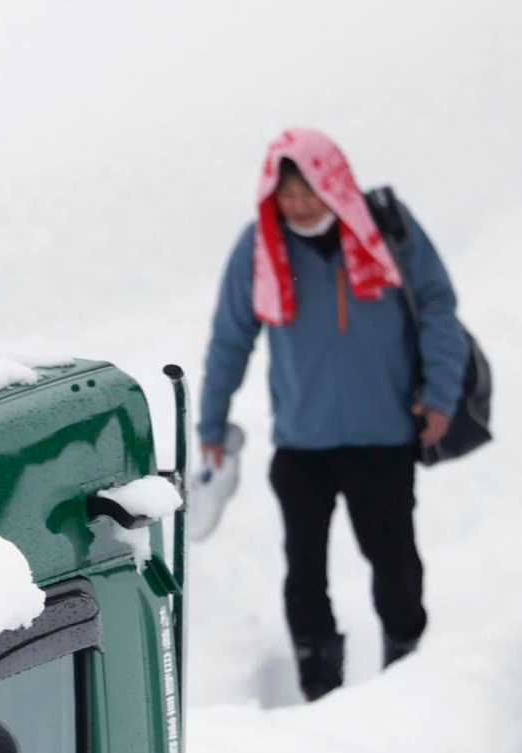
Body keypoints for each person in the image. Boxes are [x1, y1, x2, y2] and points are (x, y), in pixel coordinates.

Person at [200, 127, 468, 700]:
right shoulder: (260, 247)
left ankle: (405, 665)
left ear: (334, 184)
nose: (297, 204)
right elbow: (230, 339)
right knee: (304, 572)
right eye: (285, 192)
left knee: (393, 562)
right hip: (303, 444)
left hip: (385, 436)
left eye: (309, 191)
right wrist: (211, 424)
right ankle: (319, 684)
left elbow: (440, 307)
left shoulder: (385, 232)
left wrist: (441, 395)